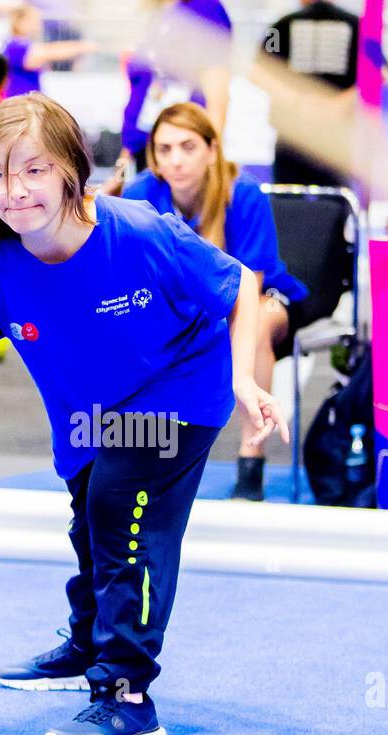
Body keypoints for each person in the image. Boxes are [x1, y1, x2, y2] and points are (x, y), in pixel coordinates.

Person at [0, 92, 287, 735]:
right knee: (89, 515)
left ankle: (128, 693)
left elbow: (239, 283)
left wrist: (245, 378)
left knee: (119, 506)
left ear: (71, 171)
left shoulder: (139, 232)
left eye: (34, 170)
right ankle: (86, 642)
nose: (14, 191)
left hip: (181, 386)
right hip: (89, 414)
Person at [123, 102, 309, 501]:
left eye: (187, 147)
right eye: (165, 149)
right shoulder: (139, 194)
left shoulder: (243, 194)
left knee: (255, 324)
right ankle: (143, 454)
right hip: (178, 306)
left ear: (211, 149)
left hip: (260, 298)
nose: (176, 160)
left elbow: (249, 287)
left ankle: (250, 457)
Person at [115, 0, 233, 183]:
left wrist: (212, 163)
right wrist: (120, 170)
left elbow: (217, 97)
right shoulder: (160, 13)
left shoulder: (206, 10)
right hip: (147, 153)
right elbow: (143, 98)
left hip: (181, 155)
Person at [260, 0, 360, 188]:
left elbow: (259, 71)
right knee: (336, 204)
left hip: (303, 136)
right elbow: (380, 73)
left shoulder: (282, 24)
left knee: (288, 203)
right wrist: (335, 105)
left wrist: (299, 102)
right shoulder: (356, 24)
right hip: (326, 139)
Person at [3, 3, 98, 98]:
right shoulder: (15, 46)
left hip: (28, 99)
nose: (39, 24)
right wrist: (81, 47)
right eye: (34, 20)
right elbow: (50, 52)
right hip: (19, 101)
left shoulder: (23, 44)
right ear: (20, 22)